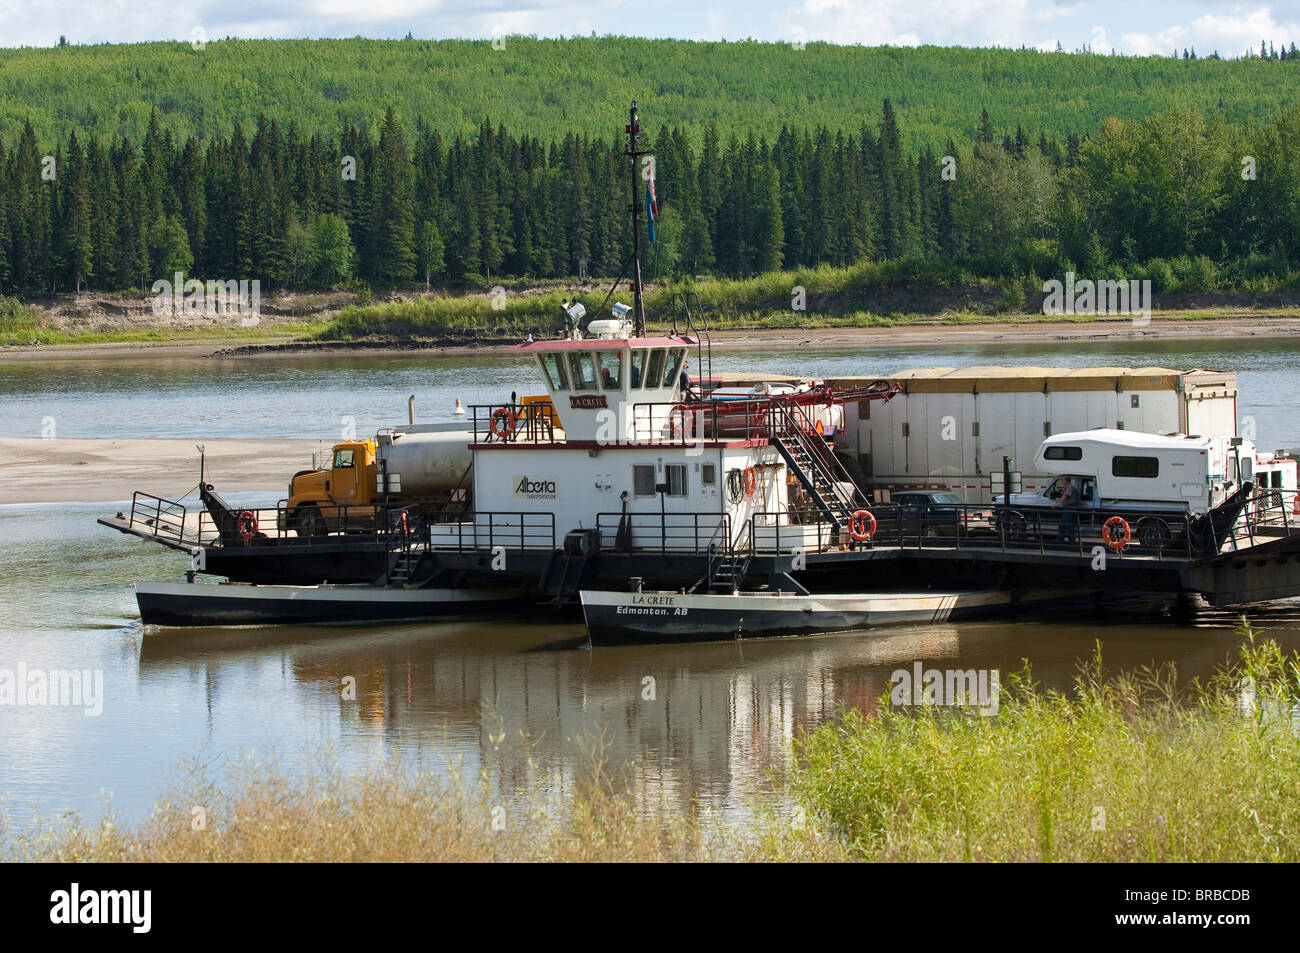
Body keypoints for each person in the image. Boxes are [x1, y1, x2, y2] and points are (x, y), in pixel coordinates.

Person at [1053, 476, 1081, 544]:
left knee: (1068, 526)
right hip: (1068, 509)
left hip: (1069, 509)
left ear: (1066, 480)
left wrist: (1057, 504)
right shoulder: (1069, 487)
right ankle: (1060, 541)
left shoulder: (1069, 487)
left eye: (1062, 480)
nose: (1062, 482)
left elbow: (1065, 496)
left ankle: (1070, 542)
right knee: (1063, 525)